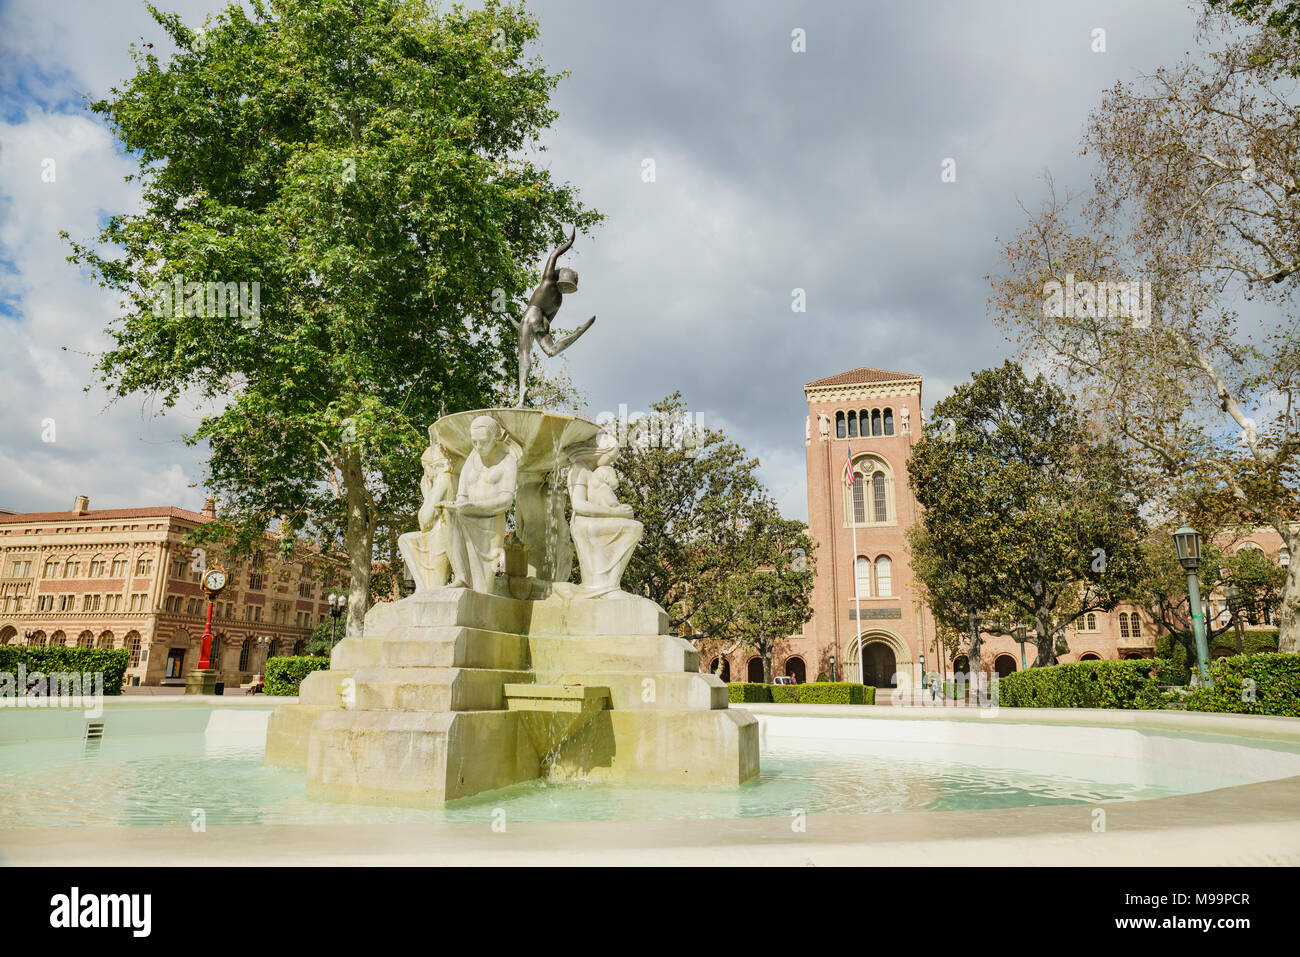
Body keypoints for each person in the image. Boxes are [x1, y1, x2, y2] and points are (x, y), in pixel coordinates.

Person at [513, 228, 595, 406]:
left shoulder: (548, 282)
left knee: (524, 354)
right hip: (541, 321)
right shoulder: (559, 299)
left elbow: (554, 254)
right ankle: (577, 333)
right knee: (551, 351)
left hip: (530, 315)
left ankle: (522, 393)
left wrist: (569, 243)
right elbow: (547, 323)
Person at [445, 416, 518, 593]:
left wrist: (476, 508)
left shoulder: (508, 461)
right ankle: (461, 576)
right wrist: (460, 504)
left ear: (495, 438)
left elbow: (507, 500)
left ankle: (478, 592)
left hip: (490, 521)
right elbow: (461, 494)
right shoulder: (472, 459)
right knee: (451, 514)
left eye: (484, 442)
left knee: (482, 589)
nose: (478, 447)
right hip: (467, 515)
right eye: (475, 442)